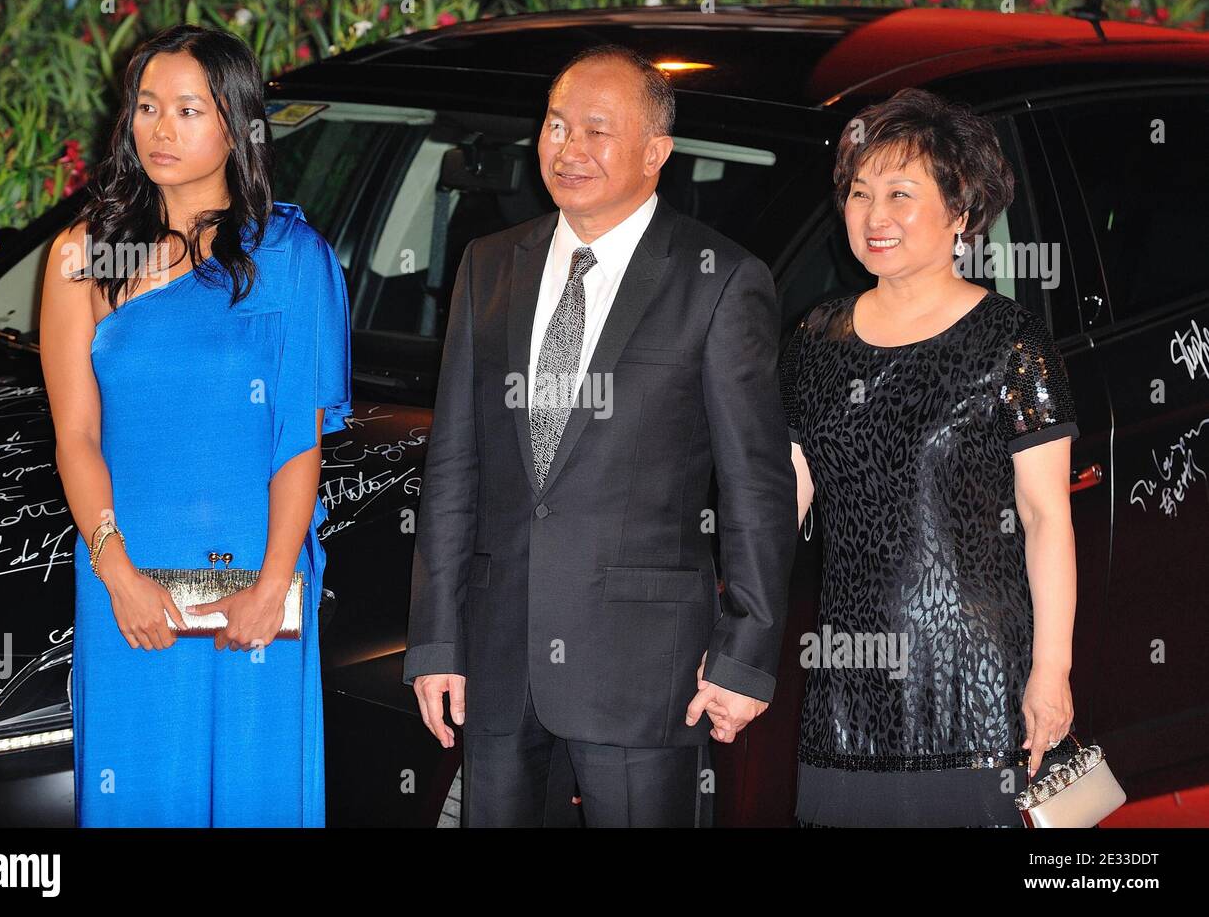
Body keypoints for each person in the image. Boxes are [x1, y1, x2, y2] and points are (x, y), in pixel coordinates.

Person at [403, 44, 798, 827]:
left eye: (595, 130)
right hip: (499, 655)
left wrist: (746, 654)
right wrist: (436, 640)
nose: (568, 148)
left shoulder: (719, 279)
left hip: (643, 668)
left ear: (656, 152)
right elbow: (453, 469)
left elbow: (756, 483)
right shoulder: (489, 266)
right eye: (555, 125)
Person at [40, 25, 351, 826]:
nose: (160, 129)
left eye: (188, 109)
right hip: (127, 578)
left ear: (237, 125)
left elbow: (297, 439)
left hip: (256, 581)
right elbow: (75, 436)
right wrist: (118, 574)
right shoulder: (84, 257)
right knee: (139, 791)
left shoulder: (291, 256)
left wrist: (275, 579)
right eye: (147, 107)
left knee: (254, 796)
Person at [780, 88, 1078, 827]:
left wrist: (1051, 671)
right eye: (859, 193)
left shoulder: (1011, 341)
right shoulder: (816, 339)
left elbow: (1046, 519)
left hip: (976, 685)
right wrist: (730, 634)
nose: (874, 216)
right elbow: (780, 506)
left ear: (962, 212)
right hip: (846, 688)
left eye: (900, 194)